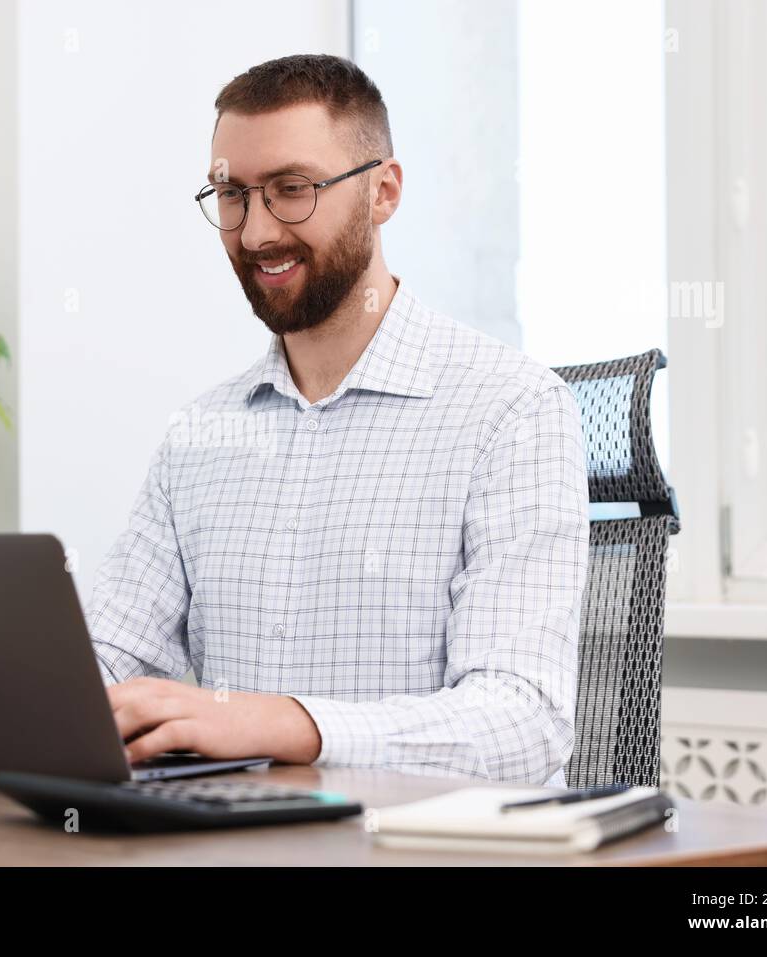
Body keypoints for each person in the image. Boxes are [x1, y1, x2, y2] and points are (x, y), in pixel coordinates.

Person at [87, 54, 589, 786]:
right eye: (232, 195)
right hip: (230, 844)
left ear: (383, 191)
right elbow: (109, 663)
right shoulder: (200, 435)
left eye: (292, 190)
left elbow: (523, 720)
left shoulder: (512, 410)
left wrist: (293, 725)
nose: (256, 232)